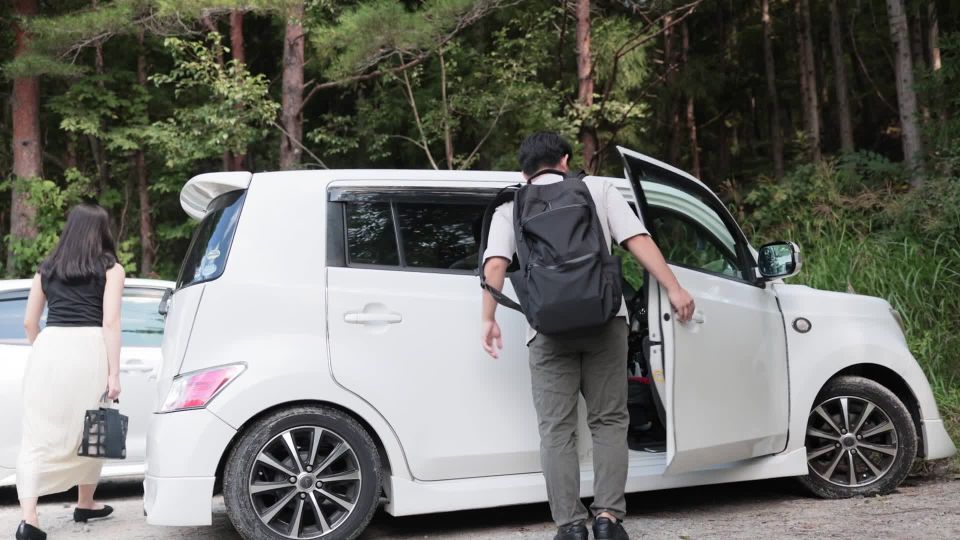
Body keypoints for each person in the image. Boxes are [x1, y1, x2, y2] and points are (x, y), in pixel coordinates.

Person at [481, 133, 695, 540]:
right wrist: (674, 287)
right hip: (604, 321)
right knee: (610, 420)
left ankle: (570, 526)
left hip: (545, 331)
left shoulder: (512, 204)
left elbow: (495, 266)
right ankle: (608, 518)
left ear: (524, 172)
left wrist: (488, 318)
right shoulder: (597, 188)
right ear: (565, 159)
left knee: (556, 430)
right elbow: (637, 240)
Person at [15, 203, 124, 540]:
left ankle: (30, 520)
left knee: (37, 436)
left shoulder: (47, 269)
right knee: (93, 427)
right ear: (102, 232)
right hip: (89, 348)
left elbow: (29, 322)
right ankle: (85, 501)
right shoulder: (111, 268)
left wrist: (44, 349)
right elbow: (110, 323)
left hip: (50, 348)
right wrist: (114, 374)